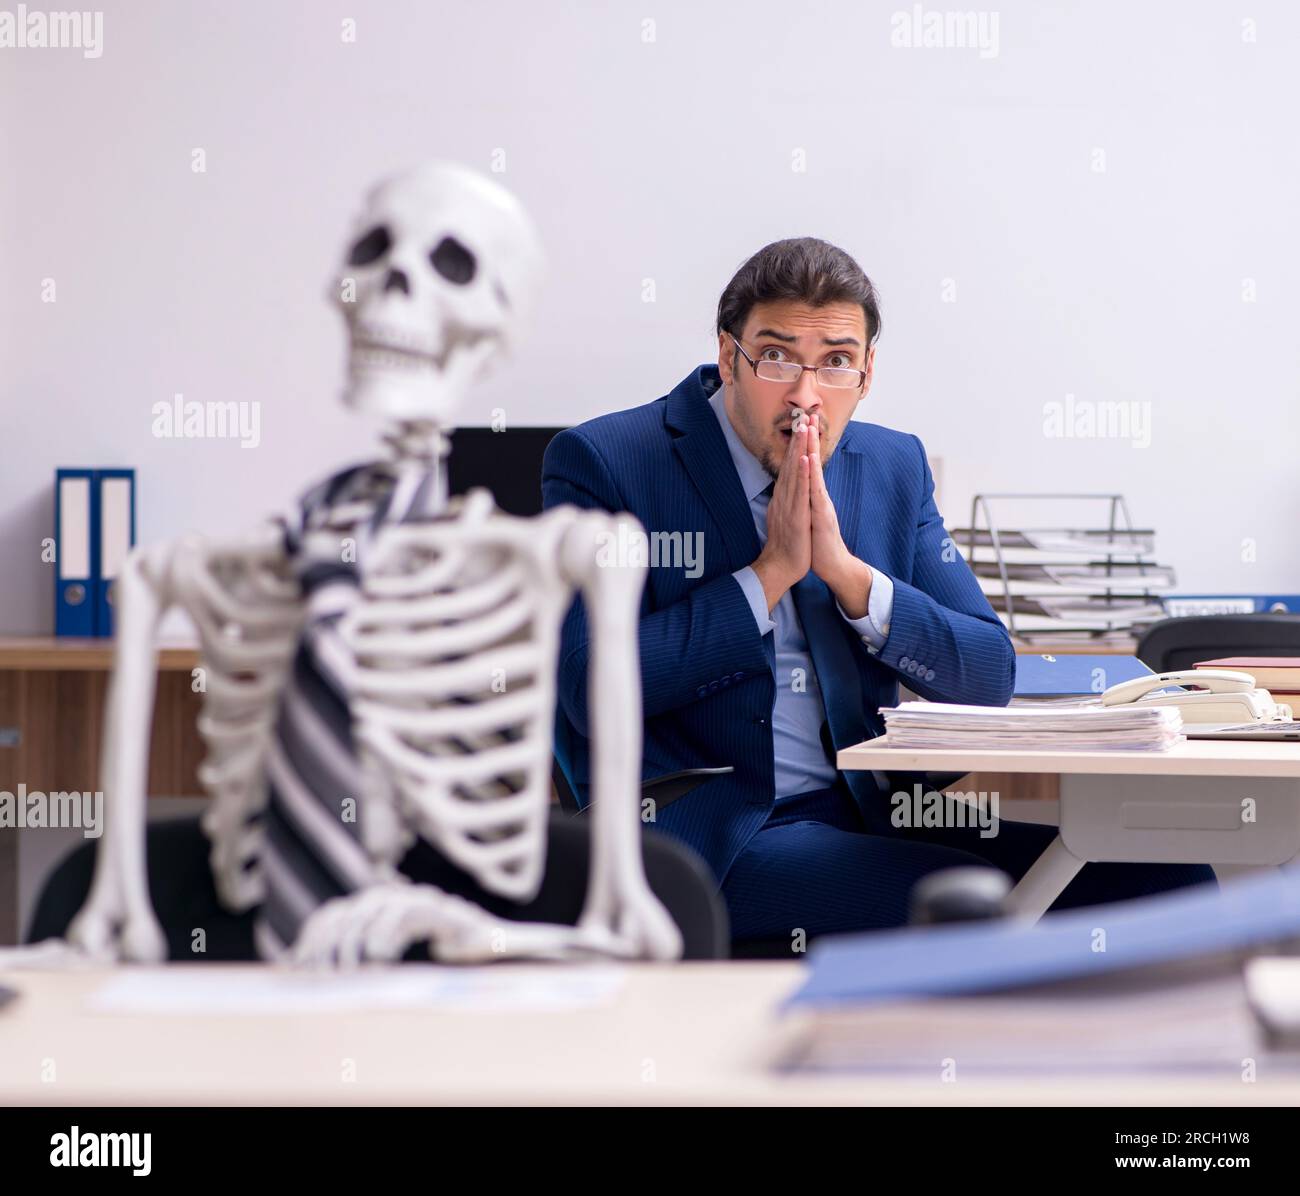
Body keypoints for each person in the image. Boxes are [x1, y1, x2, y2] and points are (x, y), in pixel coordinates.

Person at [543, 237, 1213, 949]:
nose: (806, 396)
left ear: (865, 375)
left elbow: (987, 673)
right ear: (728, 355)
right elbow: (589, 686)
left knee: (1166, 879)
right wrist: (768, 576)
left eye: (835, 363)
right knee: (968, 907)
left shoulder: (892, 464)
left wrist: (849, 577)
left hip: (878, 812)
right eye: (776, 356)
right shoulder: (610, 462)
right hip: (707, 840)